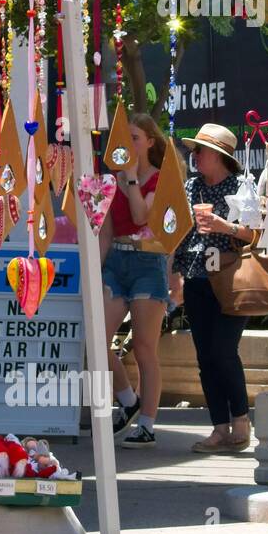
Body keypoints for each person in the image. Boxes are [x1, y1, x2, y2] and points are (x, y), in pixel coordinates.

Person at [172, 123, 259, 453]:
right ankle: (219, 428)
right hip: (196, 277)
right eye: (193, 151)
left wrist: (224, 226)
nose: (195, 156)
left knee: (224, 350)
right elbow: (178, 232)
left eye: (201, 151)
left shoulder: (241, 187)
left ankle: (240, 419)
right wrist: (174, 273)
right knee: (206, 356)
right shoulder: (190, 188)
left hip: (232, 279)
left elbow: (257, 235)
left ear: (220, 156)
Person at [102, 114, 170, 448]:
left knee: (145, 346)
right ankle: (128, 399)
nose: (129, 144)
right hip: (116, 260)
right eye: (125, 139)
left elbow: (142, 215)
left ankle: (147, 422)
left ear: (150, 142)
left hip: (147, 260)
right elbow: (106, 229)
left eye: (136, 138)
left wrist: (130, 179)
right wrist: (96, 271)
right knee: (97, 341)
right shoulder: (112, 179)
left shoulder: (158, 178)